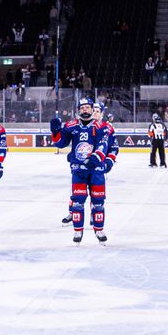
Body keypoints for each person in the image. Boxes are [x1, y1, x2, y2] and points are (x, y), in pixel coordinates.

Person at [49, 98, 116, 244]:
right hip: (79, 171)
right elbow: (61, 143)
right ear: (78, 110)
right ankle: (77, 231)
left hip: (96, 170)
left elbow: (103, 145)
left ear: (92, 109)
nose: (85, 110)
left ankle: (99, 229)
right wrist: (55, 131)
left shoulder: (102, 127)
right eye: (82, 108)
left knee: (98, 203)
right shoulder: (71, 126)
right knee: (77, 203)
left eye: (87, 107)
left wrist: (98, 159)